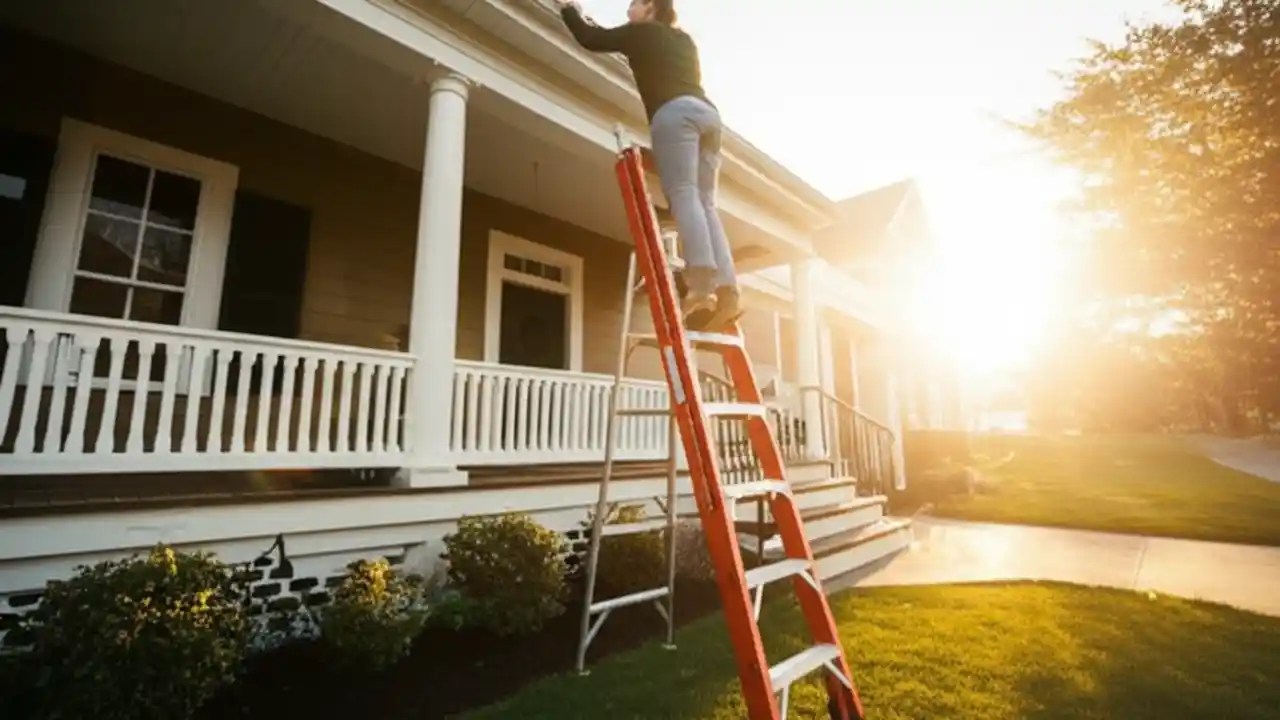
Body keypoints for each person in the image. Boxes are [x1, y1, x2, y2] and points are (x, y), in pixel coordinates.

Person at [556, 0, 740, 331]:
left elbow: (590, 38)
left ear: (650, 7)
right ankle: (729, 290)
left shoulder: (641, 34)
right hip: (709, 115)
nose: (628, 12)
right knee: (706, 203)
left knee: (682, 193)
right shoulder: (684, 40)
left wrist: (570, 7)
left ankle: (700, 286)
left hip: (675, 114)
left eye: (633, 5)